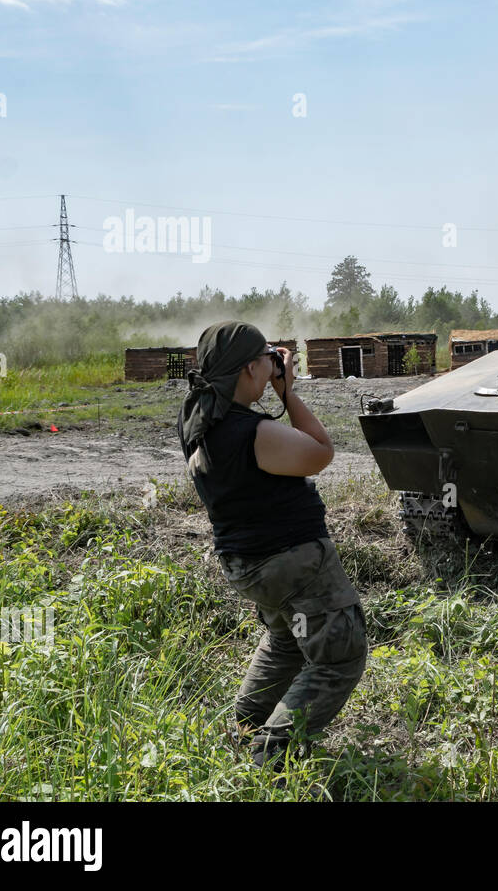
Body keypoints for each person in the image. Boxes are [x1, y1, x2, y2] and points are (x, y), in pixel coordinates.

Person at [176, 321, 366, 771]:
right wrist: (287, 393)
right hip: (293, 563)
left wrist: (269, 373)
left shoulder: (196, 419)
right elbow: (320, 452)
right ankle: (270, 756)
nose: (273, 364)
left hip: (247, 565)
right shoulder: (252, 433)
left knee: (286, 639)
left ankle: (245, 728)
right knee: (340, 656)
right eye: (265, 358)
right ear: (246, 370)